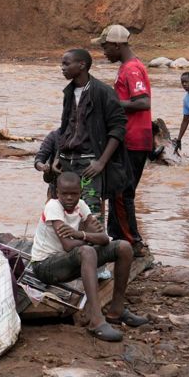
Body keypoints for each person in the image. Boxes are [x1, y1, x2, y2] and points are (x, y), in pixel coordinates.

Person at [29, 171, 148, 342]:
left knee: (123, 247)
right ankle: (96, 320)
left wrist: (80, 234)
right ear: (57, 193)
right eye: (65, 194)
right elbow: (68, 245)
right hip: (45, 266)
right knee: (87, 251)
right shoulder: (53, 206)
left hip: (70, 260)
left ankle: (117, 310)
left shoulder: (82, 206)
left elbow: (104, 238)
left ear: (80, 192)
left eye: (74, 194)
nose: (69, 198)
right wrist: (88, 237)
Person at [55, 48, 130, 228]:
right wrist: (57, 155)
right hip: (66, 162)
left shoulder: (102, 92)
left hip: (89, 163)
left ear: (82, 65)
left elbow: (119, 128)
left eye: (66, 63)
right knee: (65, 211)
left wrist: (101, 162)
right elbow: (65, 127)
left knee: (91, 214)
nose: (62, 68)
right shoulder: (69, 92)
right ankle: (71, 251)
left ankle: (95, 252)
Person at [94, 25, 150, 254]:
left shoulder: (132, 69)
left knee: (121, 192)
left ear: (117, 45)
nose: (104, 52)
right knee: (121, 190)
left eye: (105, 47)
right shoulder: (128, 67)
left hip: (132, 138)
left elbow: (143, 102)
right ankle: (118, 238)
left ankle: (132, 242)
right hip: (133, 137)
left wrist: (111, 103)